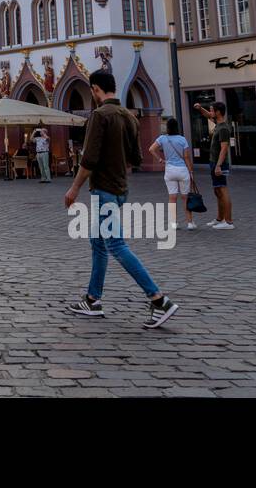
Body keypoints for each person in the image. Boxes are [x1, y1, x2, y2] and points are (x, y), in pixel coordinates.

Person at [64, 71, 179, 329]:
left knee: (115, 244)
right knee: (98, 243)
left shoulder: (100, 115)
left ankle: (159, 300)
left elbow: (89, 159)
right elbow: (136, 158)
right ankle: (93, 300)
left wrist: (73, 189)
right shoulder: (130, 116)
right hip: (120, 187)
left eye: (92, 92)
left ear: (95, 89)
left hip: (103, 189)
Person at [150, 117, 194, 230]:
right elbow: (186, 157)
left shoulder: (163, 138)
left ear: (167, 127)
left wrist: (160, 160)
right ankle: (190, 223)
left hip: (169, 170)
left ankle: (174, 223)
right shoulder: (182, 139)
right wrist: (191, 171)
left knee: (172, 197)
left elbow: (151, 149)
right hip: (182, 170)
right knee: (185, 197)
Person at [203, 101, 234, 229]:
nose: (210, 113)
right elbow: (207, 115)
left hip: (219, 163)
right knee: (217, 191)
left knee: (222, 189)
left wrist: (218, 165)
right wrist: (200, 108)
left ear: (218, 112)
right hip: (213, 162)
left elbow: (224, 148)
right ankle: (220, 218)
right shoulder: (218, 125)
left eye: (212, 110)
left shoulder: (223, 128)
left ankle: (228, 222)